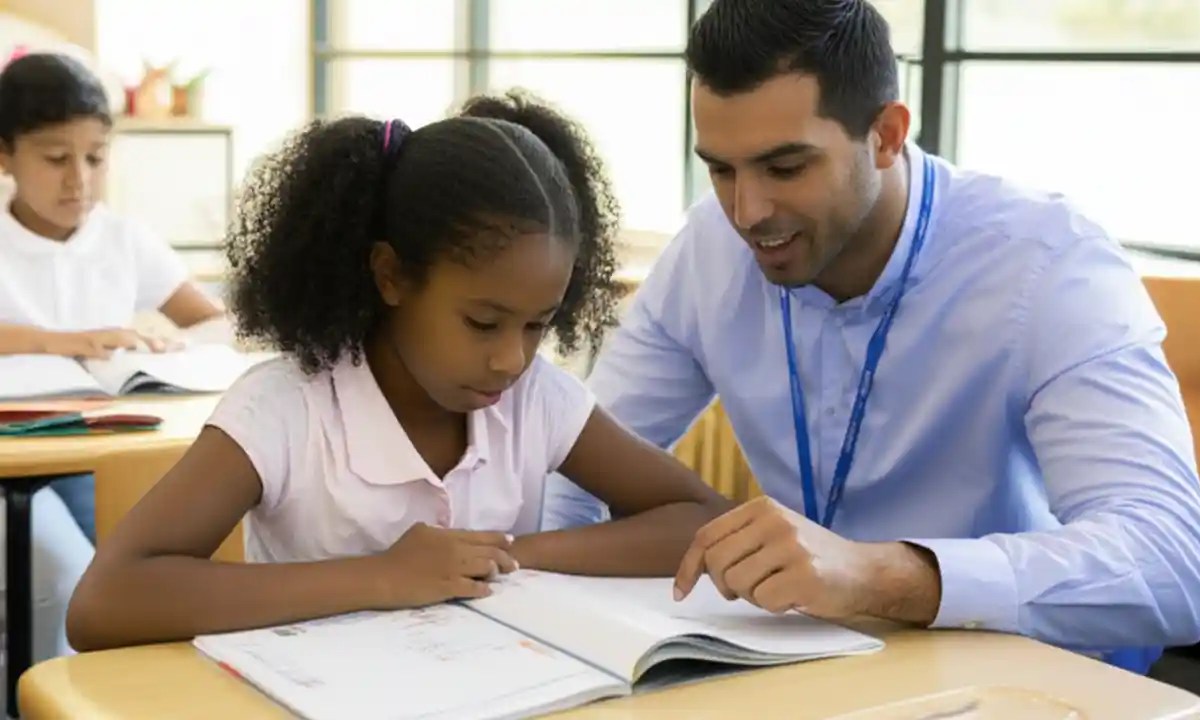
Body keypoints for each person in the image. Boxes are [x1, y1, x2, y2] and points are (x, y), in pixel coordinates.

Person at [542, 0, 1200, 674]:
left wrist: (880, 574)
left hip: (1015, 662)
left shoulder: (1047, 262)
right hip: (814, 653)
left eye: (785, 168)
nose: (747, 213)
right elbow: (572, 463)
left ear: (888, 135)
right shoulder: (707, 252)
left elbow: (1174, 564)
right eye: (721, 169)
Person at [64, 90, 732, 651]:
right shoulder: (285, 408)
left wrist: (508, 556)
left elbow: (700, 519)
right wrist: (381, 576)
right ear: (391, 276)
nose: (512, 358)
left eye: (538, 325)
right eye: (483, 322)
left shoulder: (534, 399)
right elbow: (104, 603)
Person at [0, 53, 226, 544]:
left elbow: (214, 322)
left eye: (95, 157)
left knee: (156, 544)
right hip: (15, 457)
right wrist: (65, 342)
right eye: (56, 159)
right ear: (5, 154)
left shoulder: (123, 240)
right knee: (65, 562)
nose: (78, 180)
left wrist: (170, 347)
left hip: (109, 447)